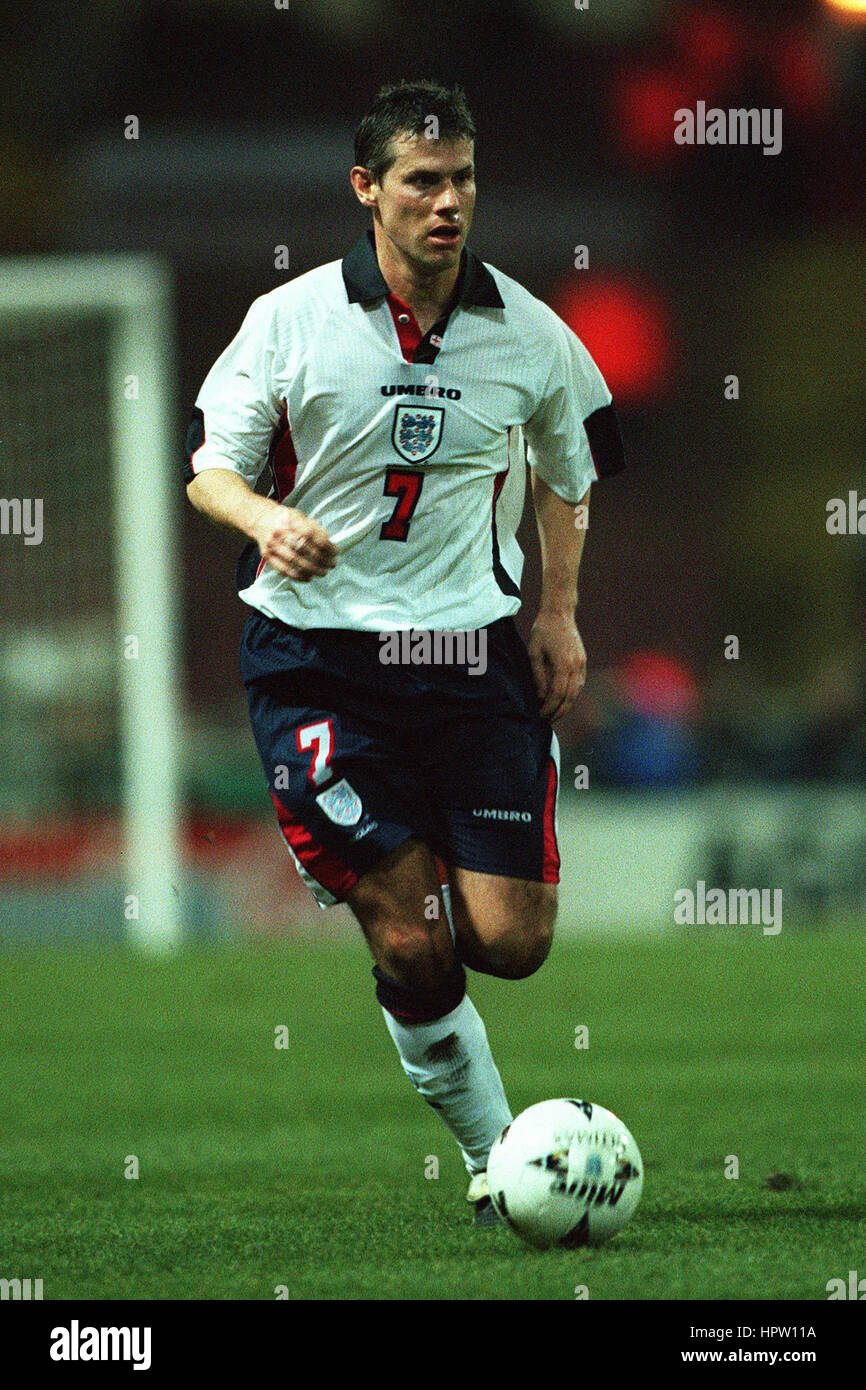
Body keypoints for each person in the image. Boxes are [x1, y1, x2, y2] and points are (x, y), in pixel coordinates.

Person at [184, 79, 625, 1224]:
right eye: (422, 180)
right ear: (365, 188)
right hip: (316, 658)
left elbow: (569, 472)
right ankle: (496, 1157)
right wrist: (262, 520)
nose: (447, 201)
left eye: (463, 178)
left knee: (512, 942)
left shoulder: (528, 331)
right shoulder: (287, 320)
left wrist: (558, 611)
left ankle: (433, 911)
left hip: (471, 661)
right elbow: (208, 468)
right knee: (409, 927)